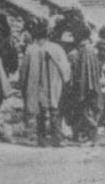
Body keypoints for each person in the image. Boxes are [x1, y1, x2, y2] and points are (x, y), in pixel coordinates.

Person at [20, 18, 70, 147]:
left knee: (40, 112)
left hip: (37, 86)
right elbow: (65, 70)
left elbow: (23, 71)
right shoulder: (57, 48)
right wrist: (65, 82)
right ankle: (56, 139)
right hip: (54, 85)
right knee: (55, 110)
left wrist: (24, 86)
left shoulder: (30, 50)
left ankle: (41, 139)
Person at [62, 28, 101, 144]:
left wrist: (85, 88)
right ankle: (85, 136)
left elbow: (86, 71)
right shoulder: (87, 49)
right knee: (84, 111)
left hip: (86, 86)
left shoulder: (85, 50)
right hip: (87, 85)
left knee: (86, 111)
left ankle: (92, 137)